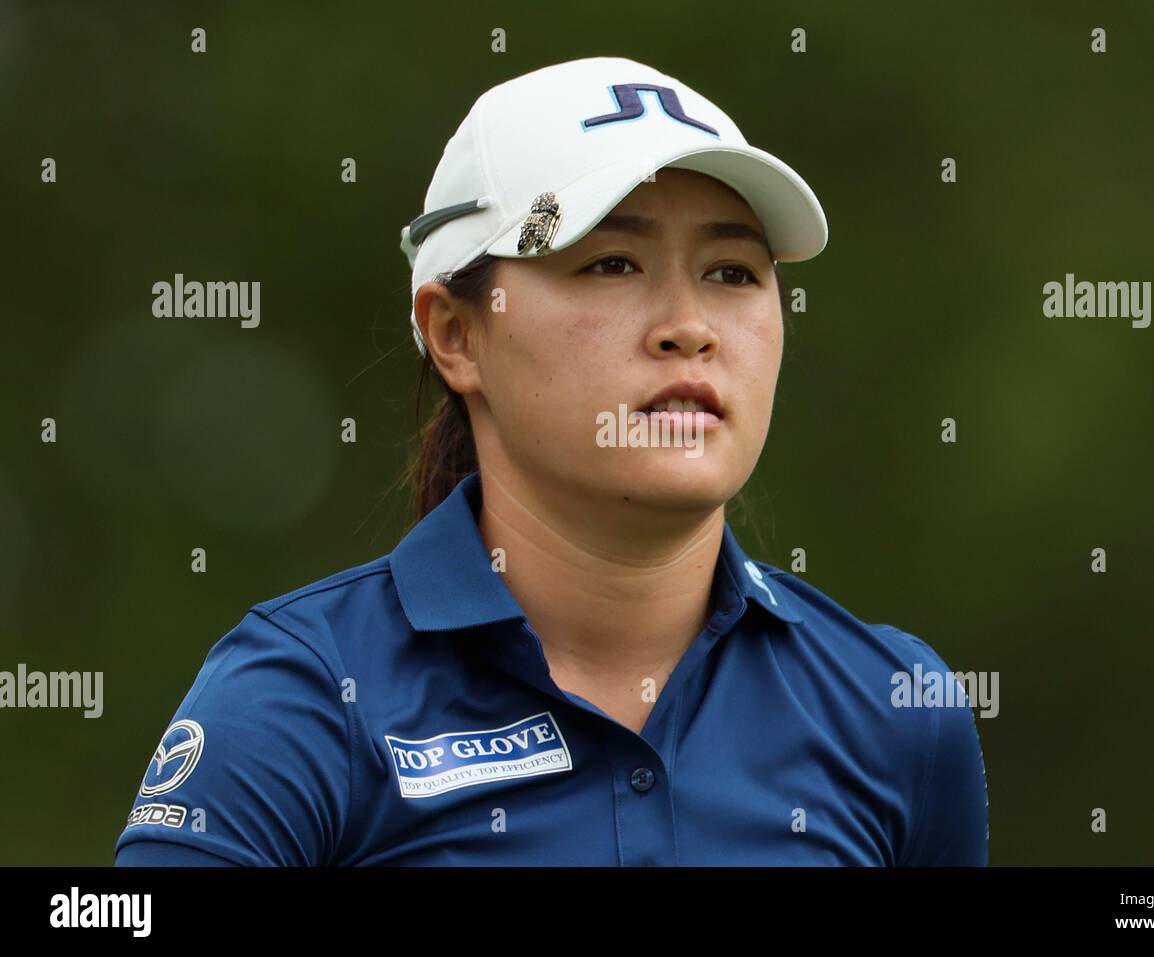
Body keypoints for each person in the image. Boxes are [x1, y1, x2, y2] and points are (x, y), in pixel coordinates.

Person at [115, 55, 988, 866]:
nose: (689, 324)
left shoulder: (897, 708)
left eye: (732, 271)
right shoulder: (296, 698)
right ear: (455, 334)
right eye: (612, 263)